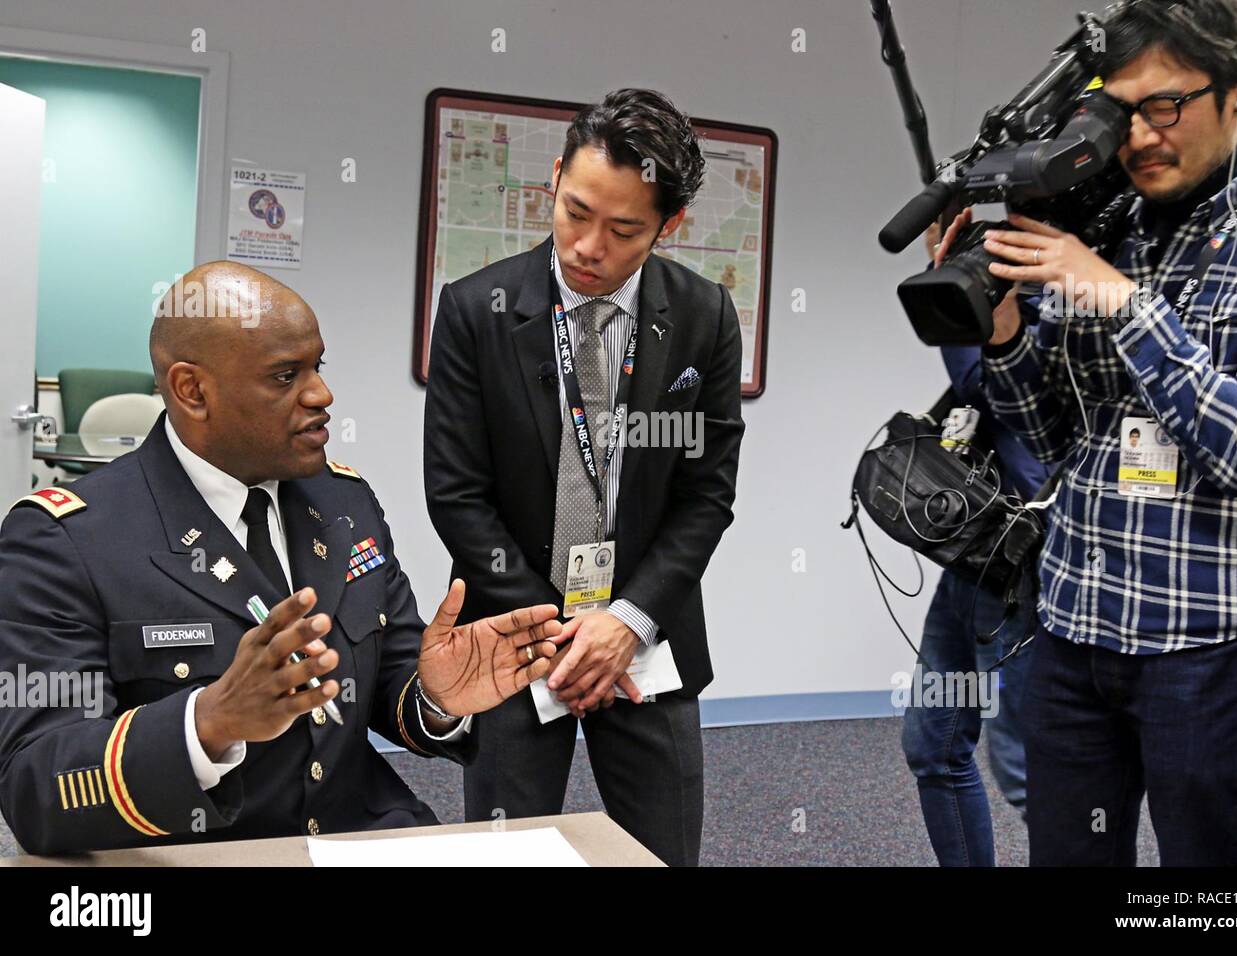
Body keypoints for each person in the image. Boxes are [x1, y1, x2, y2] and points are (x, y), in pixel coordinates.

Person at [0, 262, 565, 855]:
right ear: (193, 390)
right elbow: (36, 788)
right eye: (284, 375)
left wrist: (437, 697)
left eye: (317, 367)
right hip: (198, 851)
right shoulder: (67, 538)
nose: (321, 395)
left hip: (361, 836)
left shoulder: (343, 501)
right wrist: (207, 724)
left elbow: (388, 685)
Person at [941, 0, 1237, 864]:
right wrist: (1004, 333)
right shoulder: (1103, 231)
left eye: (1164, 106)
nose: (1137, 136)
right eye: (1118, 109)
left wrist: (1125, 304)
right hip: (1073, 632)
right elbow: (1058, 438)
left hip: (1211, 651)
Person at [424, 88, 745, 866]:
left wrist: (623, 622)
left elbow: (707, 495)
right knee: (502, 853)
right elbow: (457, 494)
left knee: (663, 854)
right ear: (557, 177)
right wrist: (555, 633)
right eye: (574, 211)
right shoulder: (476, 311)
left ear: (670, 226)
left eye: (624, 228)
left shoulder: (703, 316)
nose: (588, 246)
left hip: (645, 639)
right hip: (513, 637)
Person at [897, 227, 1050, 866]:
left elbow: (989, 391)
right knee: (933, 744)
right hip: (977, 559)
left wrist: (976, 290)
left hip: (1037, 568)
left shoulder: (1070, 299)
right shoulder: (1003, 285)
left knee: (1029, 770)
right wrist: (954, 267)